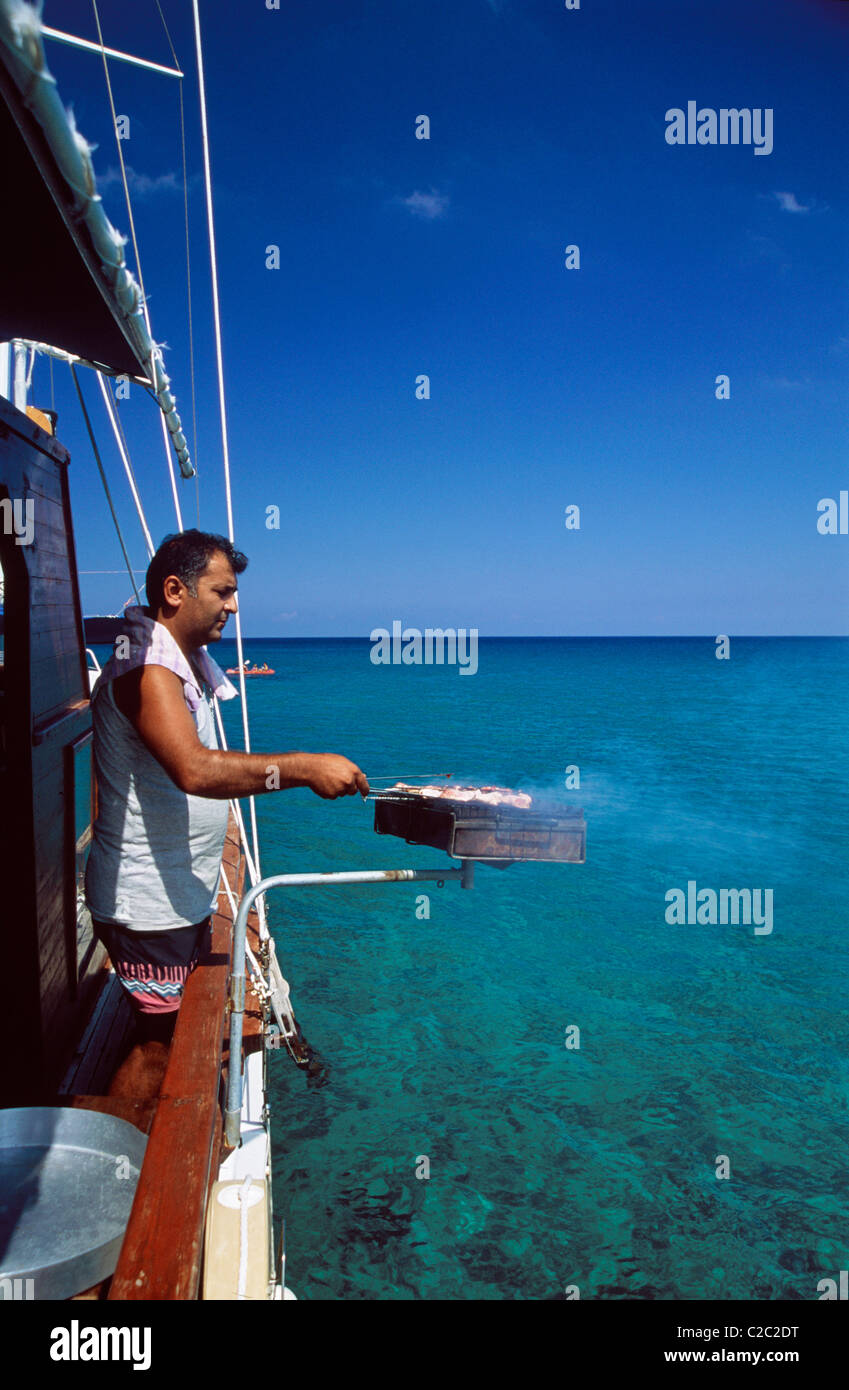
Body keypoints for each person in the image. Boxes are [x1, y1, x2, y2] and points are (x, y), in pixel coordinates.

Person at [84, 529, 368, 1099]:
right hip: (148, 907)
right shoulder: (146, 669)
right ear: (174, 591)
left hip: (171, 898)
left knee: (166, 1035)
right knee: (155, 1047)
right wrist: (305, 768)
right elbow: (193, 769)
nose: (233, 606)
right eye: (222, 592)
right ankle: (118, 1173)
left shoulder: (175, 658)